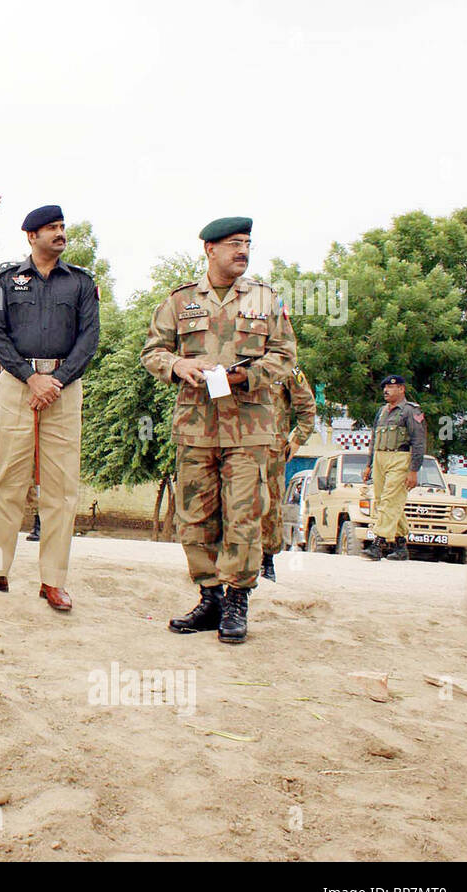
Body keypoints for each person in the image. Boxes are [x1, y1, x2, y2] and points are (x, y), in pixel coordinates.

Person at [139, 216, 296, 644]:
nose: (242, 251)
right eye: (233, 244)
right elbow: (152, 351)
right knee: (195, 515)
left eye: (247, 243)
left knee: (244, 514)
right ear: (210, 250)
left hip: (250, 427)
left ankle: (237, 600)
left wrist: (250, 375)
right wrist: (177, 365)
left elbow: (285, 355)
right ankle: (209, 596)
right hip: (196, 425)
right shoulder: (180, 301)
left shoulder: (266, 299)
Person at [0, 206, 99, 611]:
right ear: (30, 236)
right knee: (7, 481)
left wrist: (55, 381)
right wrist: (29, 377)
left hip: (64, 387)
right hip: (18, 385)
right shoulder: (6, 280)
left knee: (60, 488)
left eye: (62, 227)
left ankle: (52, 582)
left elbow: (89, 338)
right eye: (51, 229)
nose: (59, 233)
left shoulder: (80, 282)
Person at [360, 374, 426, 562]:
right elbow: (374, 439)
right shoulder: (381, 412)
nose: (386, 391)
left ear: (401, 389)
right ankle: (400, 544)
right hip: (380, 457)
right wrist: (369, 464)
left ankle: (379, 543)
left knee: (390, 499)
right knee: (383, 501)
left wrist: (414, 470)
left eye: (390, 388)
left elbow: (419, 441)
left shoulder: (411, 411)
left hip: (400, 458)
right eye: (385, 388)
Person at [259, 365, 316, 579]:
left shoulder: (286, 369)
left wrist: (296, 440)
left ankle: (267, 559)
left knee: (270, 503)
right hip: (237, 444)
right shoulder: (236, 362)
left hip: (271, 448)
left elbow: (307, 407)